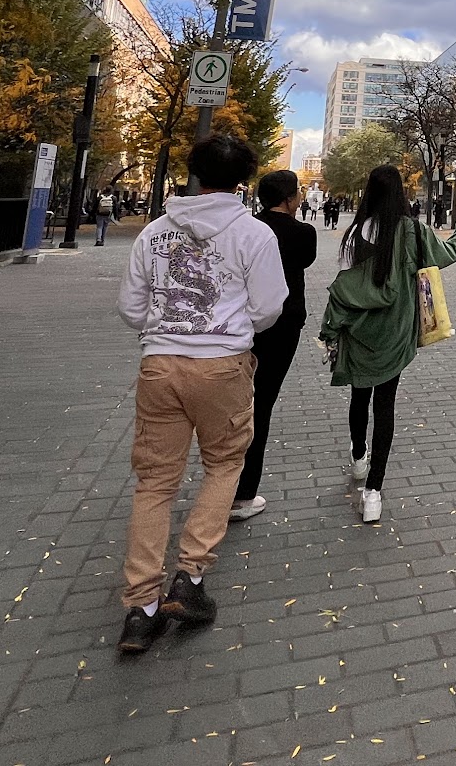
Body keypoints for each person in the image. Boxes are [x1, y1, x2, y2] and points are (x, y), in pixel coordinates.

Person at [114, 135, 286, 656]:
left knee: (155, 481)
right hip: (222, 366)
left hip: (159, 365)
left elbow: (129, 305)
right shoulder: (254, 235)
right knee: (224, 462)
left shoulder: (155, 233)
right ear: (245, 178)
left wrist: (165, 328)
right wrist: (227, 330)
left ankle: (140, 608)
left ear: (193, 171)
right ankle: (190, 576)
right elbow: (269, 306)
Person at [319, 165, 456, 525]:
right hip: (395, 333)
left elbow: (344, 283)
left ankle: (359, 459)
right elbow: (448, 254)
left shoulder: (355, 233)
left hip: (357, 333)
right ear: (401, 193)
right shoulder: (414, 231)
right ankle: (373, 492)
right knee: (385, 405)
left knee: (360, 396)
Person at [230, 169, 320, 522]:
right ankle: (244, 493)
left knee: (236, 402)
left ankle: (224, 479)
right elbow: (305, 261)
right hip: (283, 325)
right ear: (288, 197)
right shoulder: (302, 233)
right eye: (297, 193)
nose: (300, 198)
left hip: (240, 324)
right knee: (262, 402)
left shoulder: (248, 229)